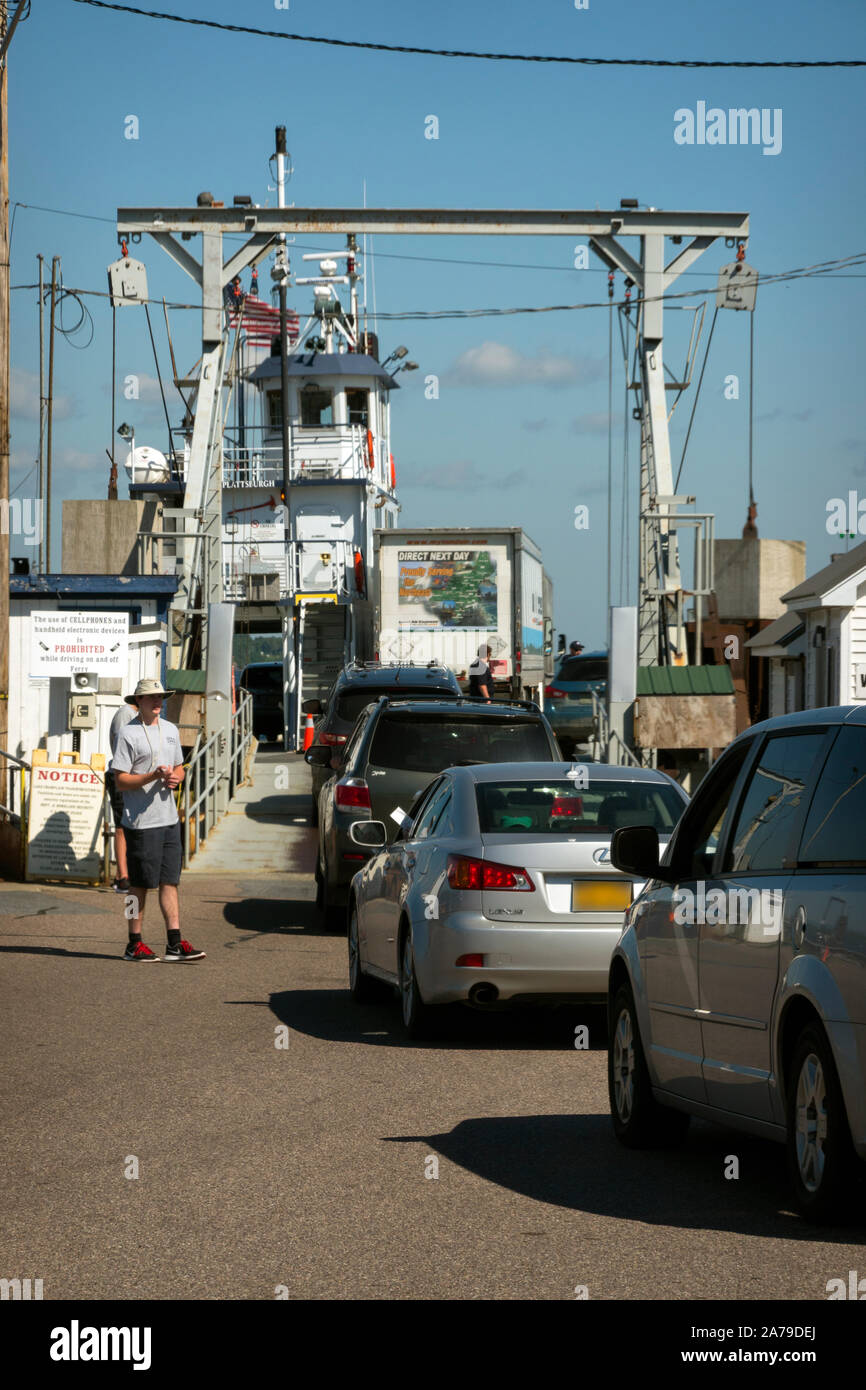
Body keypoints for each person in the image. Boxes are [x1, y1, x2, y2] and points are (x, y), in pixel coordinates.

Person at [112, 678, 205, 963]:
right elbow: (121, 780)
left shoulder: (171, 730)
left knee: (169, 881)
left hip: (168, 819)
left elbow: (179, 765)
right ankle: (133, 943)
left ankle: (174, 943)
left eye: (160, 696)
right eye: (151, 697)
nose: (157, 701)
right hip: (141, 821)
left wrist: (178, 775)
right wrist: (152, 776)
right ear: (137, 701)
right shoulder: (128, 734)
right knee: (136, 886)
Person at [106, 702, 136, 893]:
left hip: (133, 777)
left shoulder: (133, 715)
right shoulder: (126, 713)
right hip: (121, 775)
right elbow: (121, 746)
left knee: (130, 825)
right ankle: (122, 876)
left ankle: (125, 875)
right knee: (122, 826)